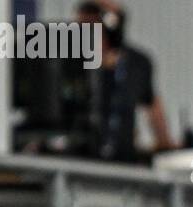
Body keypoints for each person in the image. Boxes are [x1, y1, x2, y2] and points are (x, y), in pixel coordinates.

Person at [73, 1, 177, 162]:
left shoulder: (137, 63)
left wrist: (165, 143)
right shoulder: (71, 61)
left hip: (122, 158)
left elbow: (151, 104)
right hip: (80, 158)